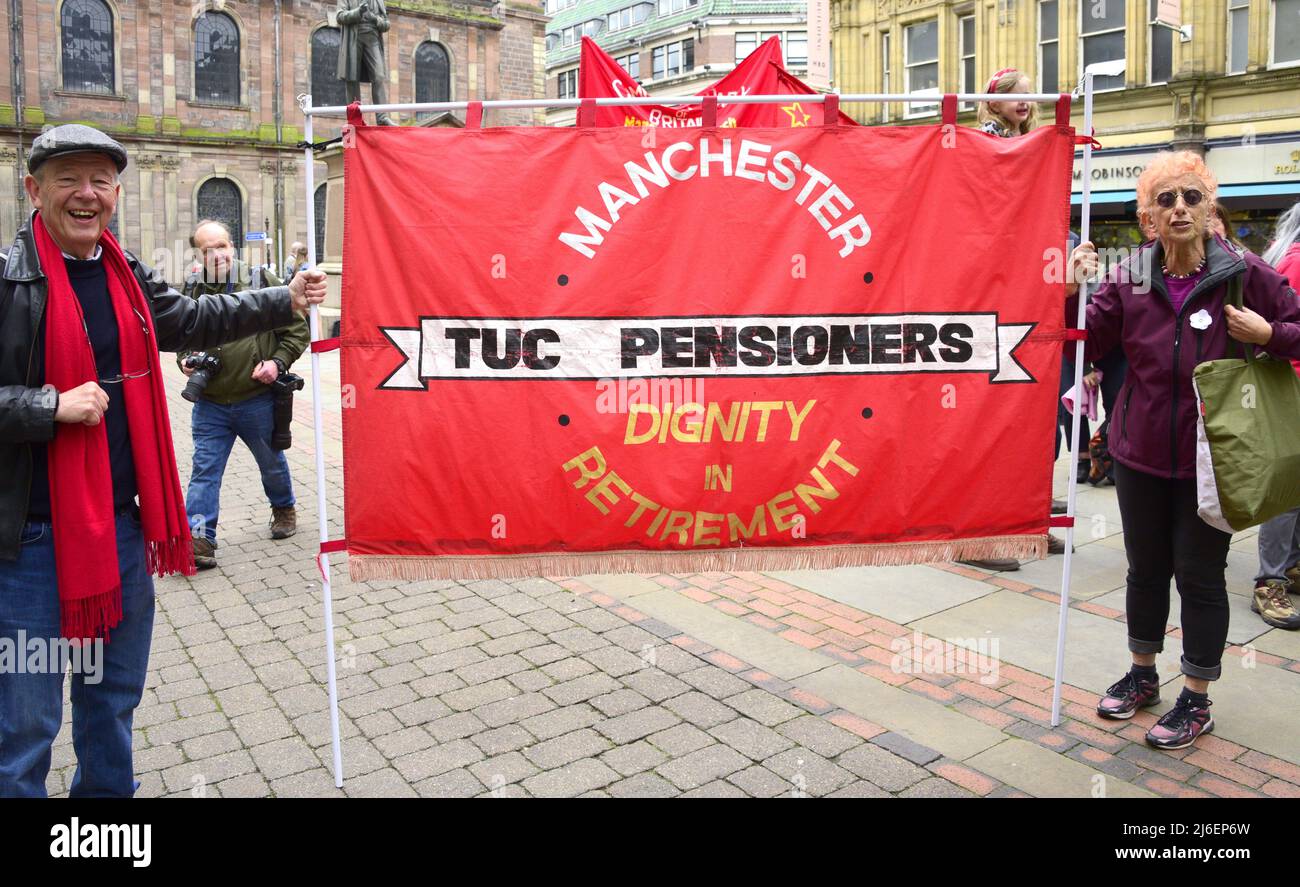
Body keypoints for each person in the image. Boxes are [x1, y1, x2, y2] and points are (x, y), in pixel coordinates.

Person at [0, 124, 327, 797]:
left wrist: (284, 298)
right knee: (25, 727)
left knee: (111, 703)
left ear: (116, 191)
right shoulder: (9, 282)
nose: (86, 193)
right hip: (29, 541)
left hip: (120, 529)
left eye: (100, 179)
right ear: (34, 189)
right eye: (69, 178)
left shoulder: (124, 274)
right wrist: (47, 405)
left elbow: (194, 319)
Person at [1068, 152, 1300, 749]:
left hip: (1215, 457)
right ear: (1148, 218)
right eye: (1165, 200)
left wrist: (1270, 334)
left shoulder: (1245, 272)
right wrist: (1072, 291)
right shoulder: (1131, 277)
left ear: (1210, 209)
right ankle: (1143, 675)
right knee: (1145, 572)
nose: (1179, 209)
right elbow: (1081, 346)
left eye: (1191, 198)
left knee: (1199, 578)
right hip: (1139, 451)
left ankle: (1196, 699)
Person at [179, 220, 310, 570]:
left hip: (257, 398)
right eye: (208, 250)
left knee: (271, 463)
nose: (217, 254)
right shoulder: (192, 290)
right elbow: (180, 338)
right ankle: (200, 537)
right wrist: (185, 361)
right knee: (204, 470)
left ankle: (283, 508)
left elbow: (298, 331)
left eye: (221, 246)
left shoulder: (259, 281)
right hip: (210, 404)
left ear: (232, 247)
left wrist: (277, 363)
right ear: (198, 255)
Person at [1250, 202, 1300, 629]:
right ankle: (1271, 580)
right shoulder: (1295, 262)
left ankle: (1288, 568)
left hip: (1287, 384)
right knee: (1285, 491)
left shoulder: (1284, 259)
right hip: (1292, 388)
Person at [337, 0, 395, 126]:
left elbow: (386, 24)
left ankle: (382, 117)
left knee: (379, 76)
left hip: (373, 39)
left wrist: (374, 18)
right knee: (352, 78)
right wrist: (358, 12)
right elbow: (340, 16)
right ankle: (354, 119)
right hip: (354, 38)